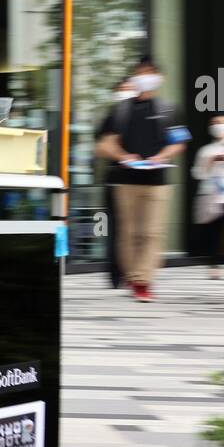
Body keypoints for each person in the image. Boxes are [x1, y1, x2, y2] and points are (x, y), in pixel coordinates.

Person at [95, 57, 189, 302]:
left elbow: (179, 142)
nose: (145, 76)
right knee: (128, 233)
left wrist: (161, 156)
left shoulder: (168, 109)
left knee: (153, 233)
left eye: (150, 72)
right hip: (126, 180)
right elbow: (104, 145)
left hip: (158, 180)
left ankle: (142, 281)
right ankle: (133, 275)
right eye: (140, 72)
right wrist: (123, 156)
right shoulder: (121, 110)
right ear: (134, 77)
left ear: (159, 78)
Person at [95, 77, 139, 289]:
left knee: (137, 229)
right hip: (115, 180)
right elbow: (101, 147)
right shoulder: (112, 117)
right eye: (122, 89)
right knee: (115, 228)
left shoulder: (146, 116)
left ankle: (134, 273)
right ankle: (116, 274)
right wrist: (123, 156)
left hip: (142, 181)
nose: (126, 92)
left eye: (130, 89)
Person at [191, 114, 224, 279]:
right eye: (216, 123)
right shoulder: (206, 150)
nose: (220, 126)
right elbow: (197, 173)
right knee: (214, 229)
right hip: (212, 192)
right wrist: (211, 161)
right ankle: (215, 263)